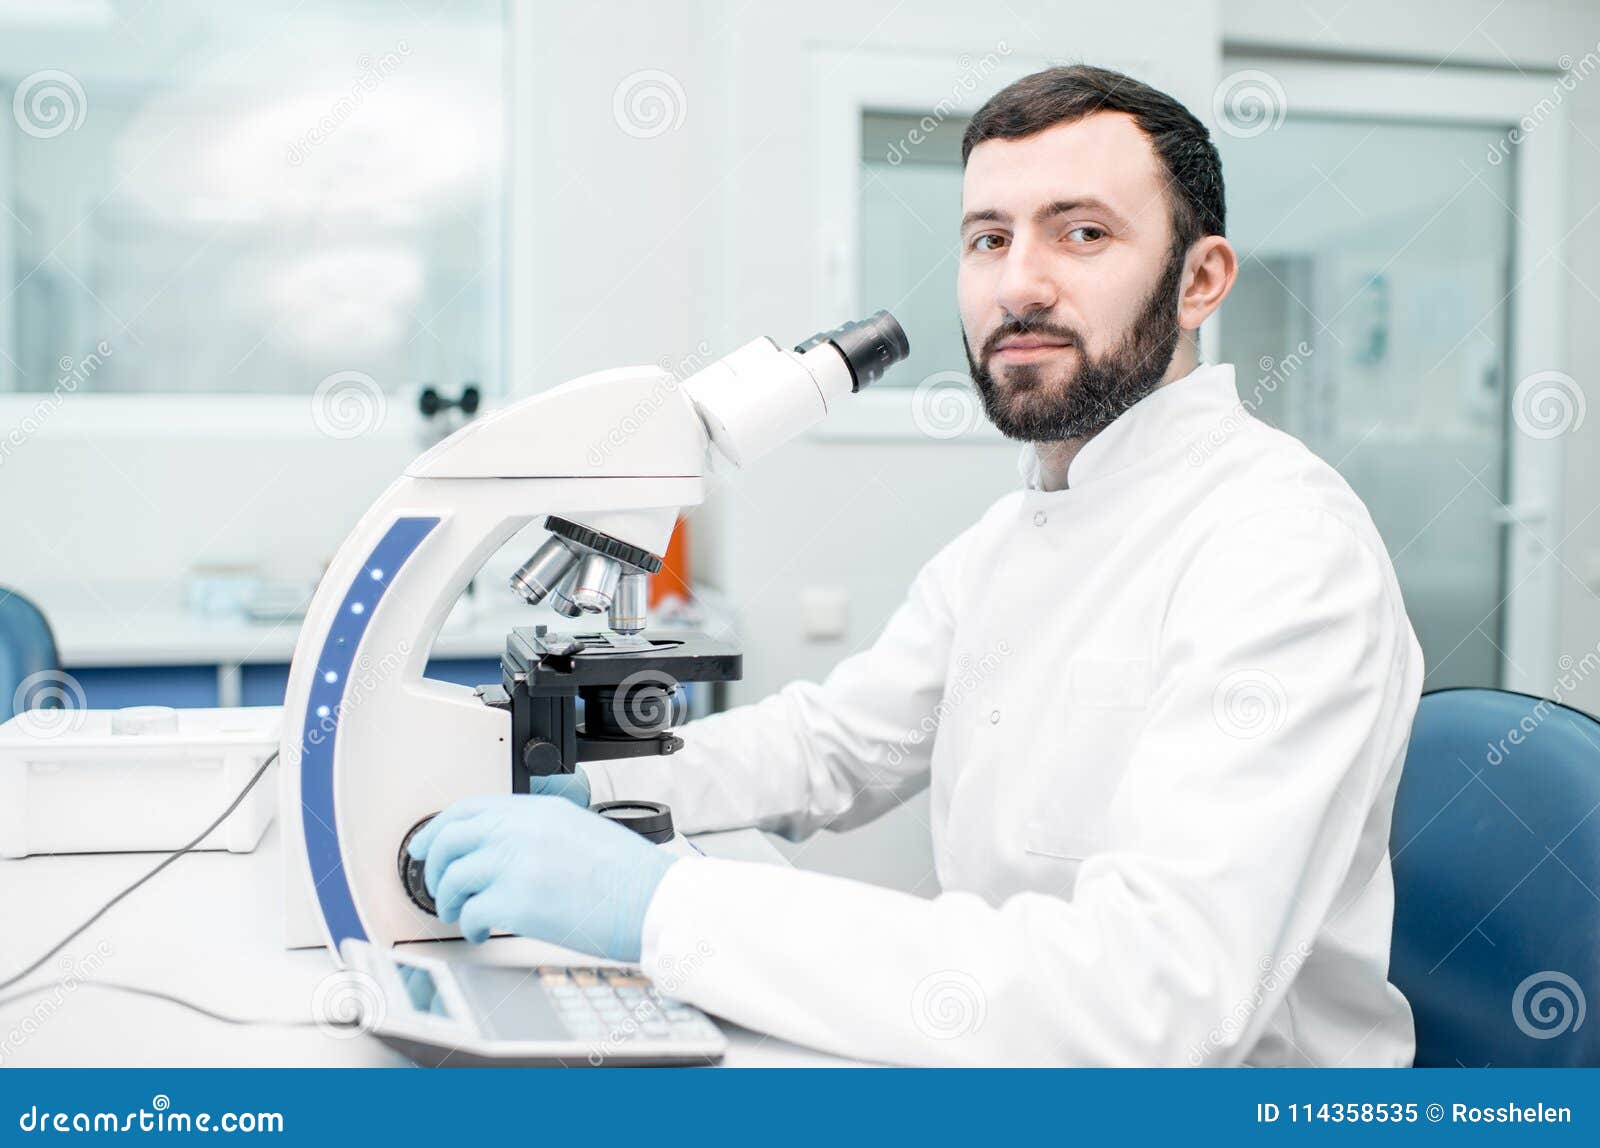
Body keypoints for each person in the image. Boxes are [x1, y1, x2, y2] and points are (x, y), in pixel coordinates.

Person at [408, 64, 1424, 1066]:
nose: (1019, 284)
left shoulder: (1281, 548)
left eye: (1082, 233)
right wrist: (590, 788)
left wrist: (660, 905)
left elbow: (1156, 1004)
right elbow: (836, 744)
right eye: (988, 238)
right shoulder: (1011, 538)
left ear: (1198, 280)